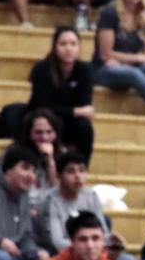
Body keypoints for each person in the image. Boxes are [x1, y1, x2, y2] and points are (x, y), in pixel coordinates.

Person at [34, 151, 138, 260]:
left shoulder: (91, 196)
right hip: (62, 256)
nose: (78, 176)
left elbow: (103, 232)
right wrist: (89, 250)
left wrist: (111, 243)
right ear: (58, 176)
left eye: (82, 171)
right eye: (71, 171)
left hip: (93, 251)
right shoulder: (49, 200)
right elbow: (57, 242)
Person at [20, 25, 95, 162]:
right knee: (43, 122)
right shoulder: (42, 69)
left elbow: (86, 107)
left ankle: (81, 166)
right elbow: (43, 106)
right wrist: (75, 111)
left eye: (73, 44)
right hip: (43, 119)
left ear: (79, 47)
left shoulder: (85, 70)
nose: (68, 48)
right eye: (63, 44)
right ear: (55, 47)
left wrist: (75, 112)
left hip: (68, 122)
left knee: (84, 126)